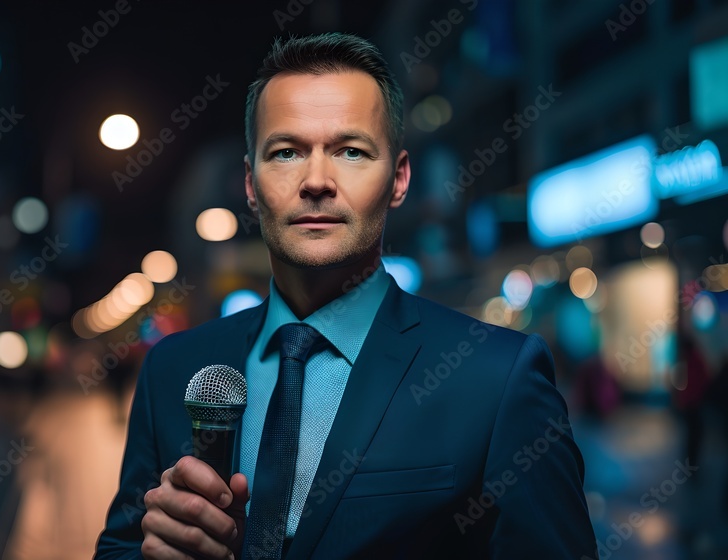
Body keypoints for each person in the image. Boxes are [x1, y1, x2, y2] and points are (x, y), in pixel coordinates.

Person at [95, 33, 596, 559]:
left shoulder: (495, 377)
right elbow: (119, 548)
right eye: (286, 152)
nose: (316, 181)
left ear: (399, 179)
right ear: (249, 182)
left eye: (351, 152)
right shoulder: (174, 370)